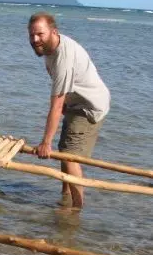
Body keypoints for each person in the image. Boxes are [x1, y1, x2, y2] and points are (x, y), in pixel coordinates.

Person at [27, 12, 110, 210]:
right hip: (76, 103)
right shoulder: (49, 49)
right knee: (65, 149)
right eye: (31, 35)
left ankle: (76, 209)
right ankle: (65, 196)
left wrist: (46, 143)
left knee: (70, 155)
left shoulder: (63, 57)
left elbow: (56, 103)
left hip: (89, 107)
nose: (35, 39)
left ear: (54, 32)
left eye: (40, 34)